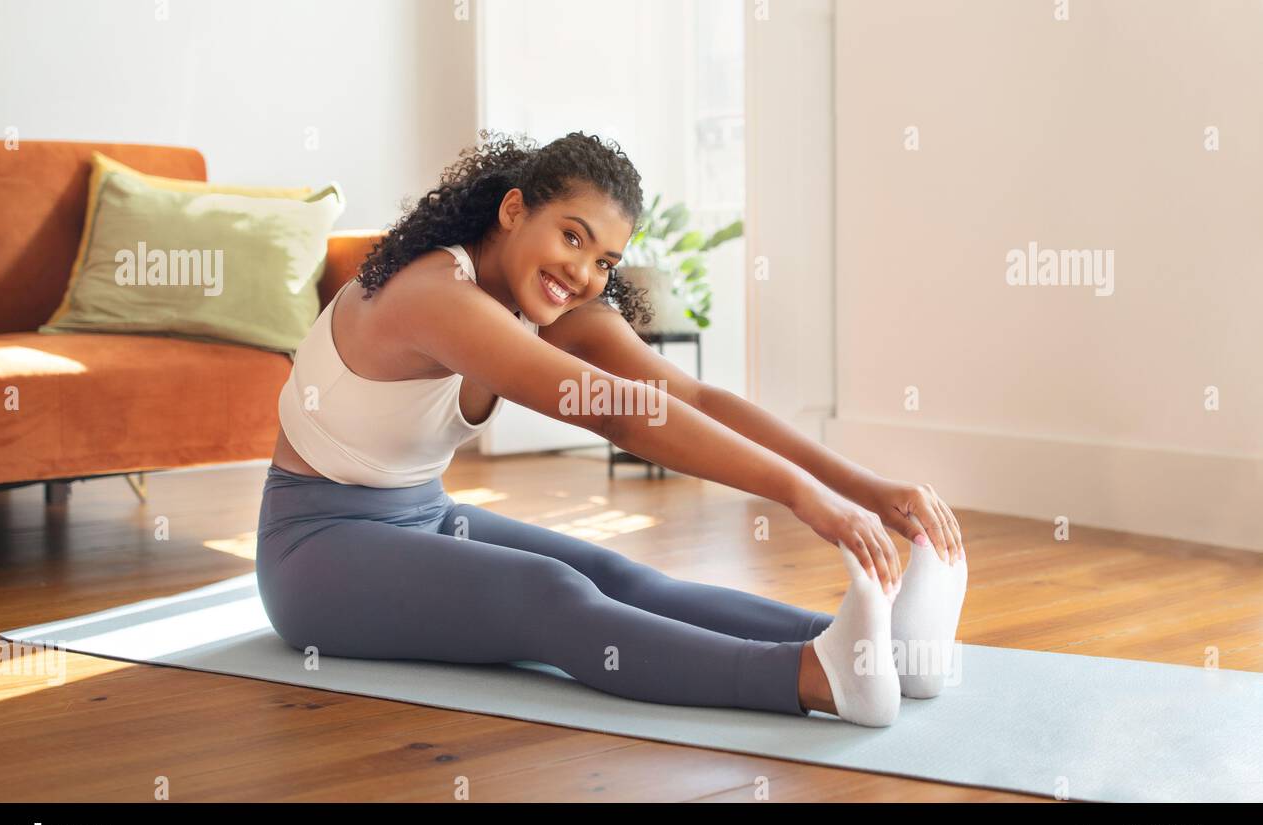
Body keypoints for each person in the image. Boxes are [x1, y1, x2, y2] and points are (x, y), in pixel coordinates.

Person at [256, 130, 964, 725]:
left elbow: (689, 398)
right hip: (316, 549)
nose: (583, 273)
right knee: (547, 594)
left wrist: (866, 489)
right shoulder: (435, 296)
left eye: (605, 261)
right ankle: (815, 678)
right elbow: (612, 409)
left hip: (427, 516)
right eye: (572, 236)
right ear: (512, 211)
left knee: (613, 573)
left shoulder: (550, 303)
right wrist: (800, 495)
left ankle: (880, 652)